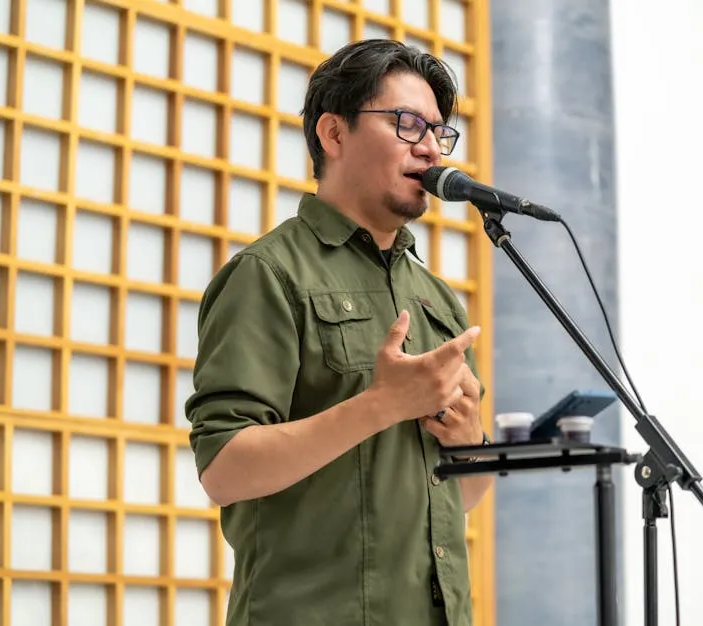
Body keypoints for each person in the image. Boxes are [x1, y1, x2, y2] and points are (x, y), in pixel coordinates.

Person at [184, 38, 493, 626]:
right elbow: (224, 469)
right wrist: (381, 405)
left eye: (438, 130)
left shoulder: (436, 297)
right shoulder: (268, 274)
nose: (430, 147)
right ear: (333, 134)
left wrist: (469, 444)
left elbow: (458, 504)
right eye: (407, 123)